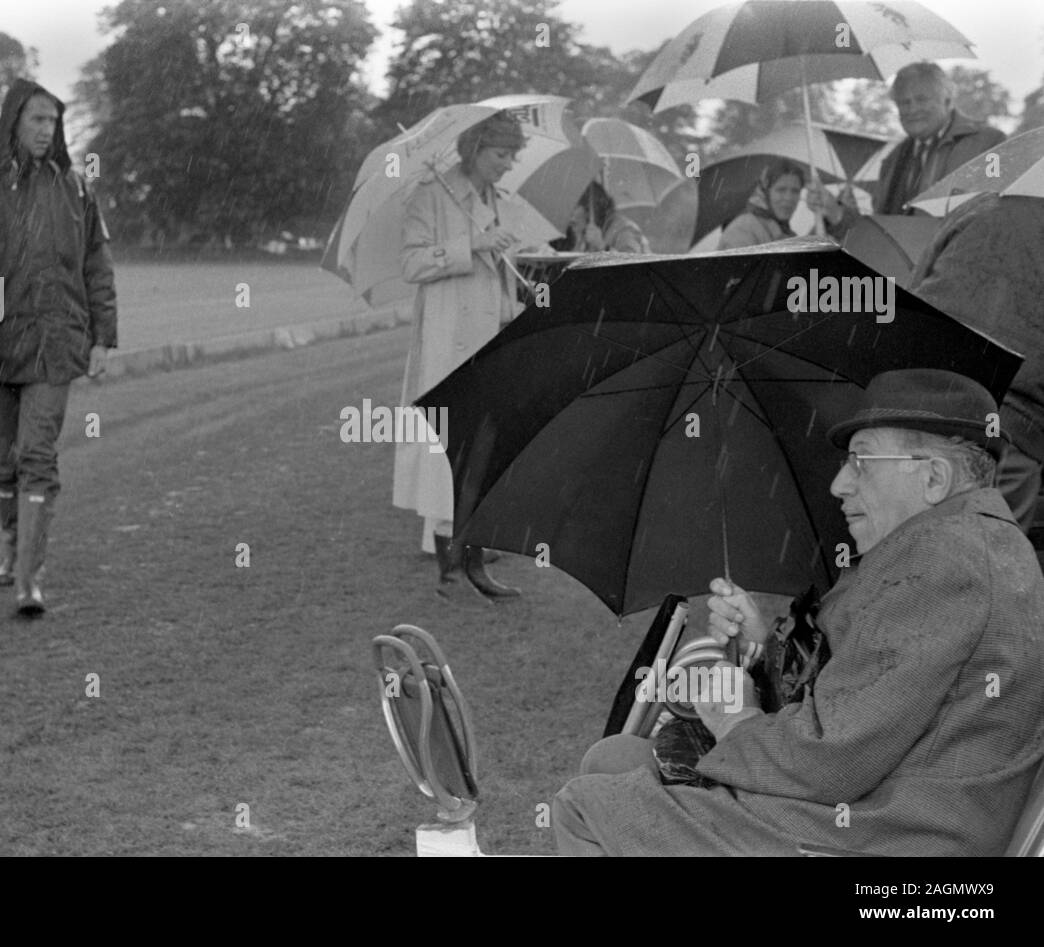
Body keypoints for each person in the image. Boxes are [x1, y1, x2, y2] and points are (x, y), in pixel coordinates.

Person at [553, 369, 1044, 856]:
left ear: (933, 477)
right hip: (874, 813)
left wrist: (735, 720)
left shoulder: (943, 561)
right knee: (618, 760)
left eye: (862, 462)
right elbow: (869, 697)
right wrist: (767, 647)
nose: (839, 484)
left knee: (586, 808)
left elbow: (834, 758)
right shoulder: (978, 542)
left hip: (882, 838)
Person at [0, 79, 118, 617]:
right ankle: (12, 546)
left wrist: (104, 336)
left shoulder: (76, 188)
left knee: (38, 456)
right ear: (12, 121)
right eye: (37, 119)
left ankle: (29, 579)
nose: (47, 130)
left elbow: (97, 266)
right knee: (4, 457)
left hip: (56, 344)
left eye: (54, 121)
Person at [393, 111, 526, 601]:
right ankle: (452, 566)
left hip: (488, 340)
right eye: (500, 154)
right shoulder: (432, 195)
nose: (509, 164)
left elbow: (493, 276)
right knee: (449, 449)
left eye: (513, 154)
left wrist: (514, 300)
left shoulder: (498, 201)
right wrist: (469, 244)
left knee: (485, 447)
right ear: (474, 150)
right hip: (447, 342)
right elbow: (411, 264)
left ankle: (472, 560)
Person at [908, 192, 1044, 560]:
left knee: (904, 562)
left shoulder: (978, 208)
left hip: (924, 406)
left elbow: (913, 295)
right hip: (1013, 432)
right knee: (984, 575)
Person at [806, 62, 1005, 238]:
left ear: (947, 100)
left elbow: (1000, 221)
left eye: (921, 99)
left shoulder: (987, 145)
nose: (912, 109)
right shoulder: (893, 160)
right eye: (904, 102)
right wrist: (835, 212)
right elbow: (883, 239)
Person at [716, 160, 804, 250]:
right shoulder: (743, 230)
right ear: (766, 191)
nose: (788, 198)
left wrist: (819, 213)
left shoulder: (785, 232)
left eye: (795, 191)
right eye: (781, 190)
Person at [551, 185, 649, 253]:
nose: (568, 215)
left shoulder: (624, 229)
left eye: (574, 207)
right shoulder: (582, 235)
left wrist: (601, 246)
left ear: (590, 209)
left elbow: (631, 267)